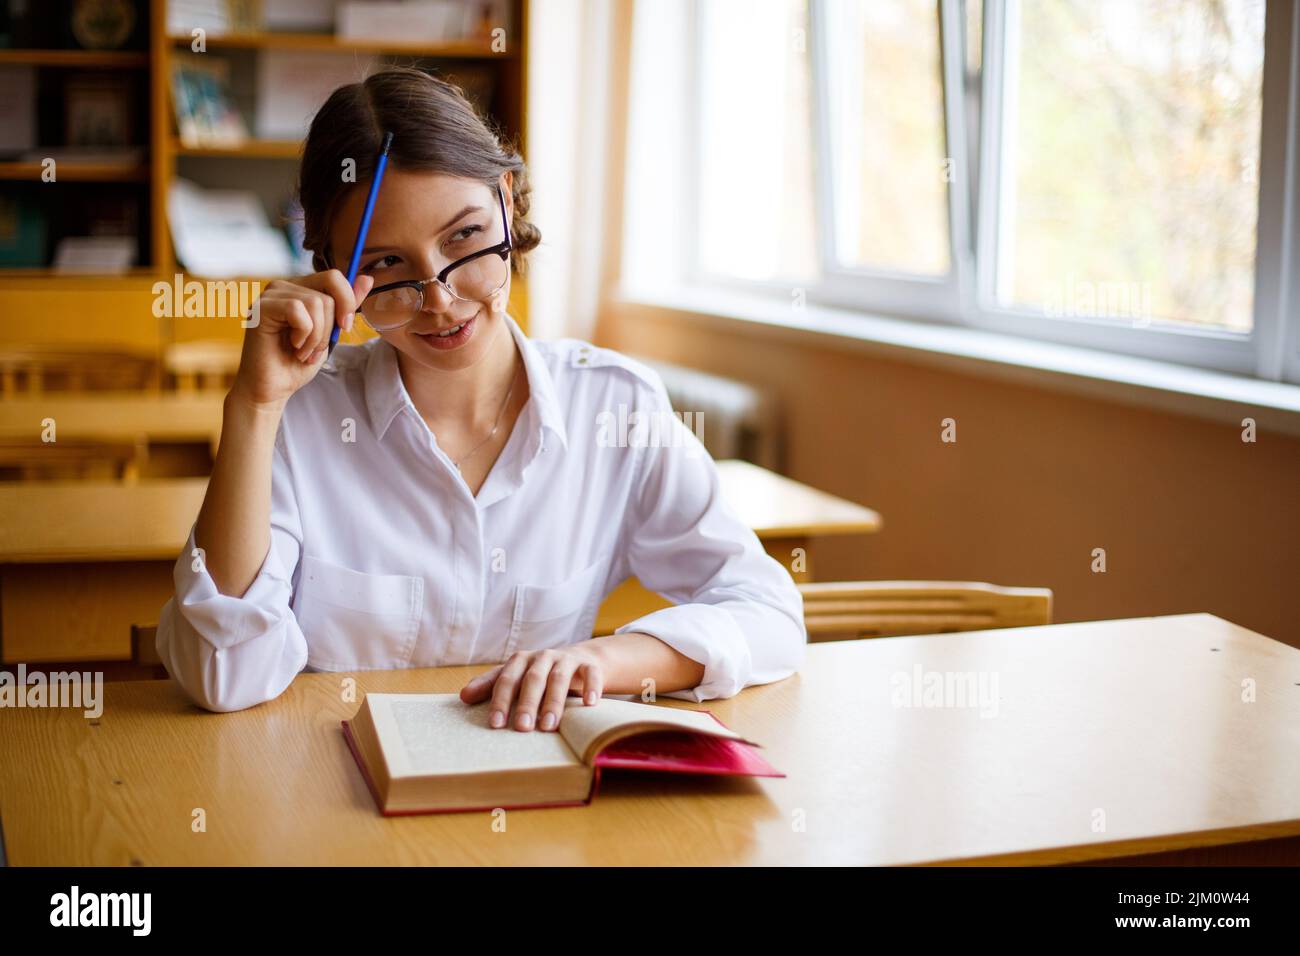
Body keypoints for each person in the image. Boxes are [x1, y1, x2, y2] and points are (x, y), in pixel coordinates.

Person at [157, 67, 806, 729]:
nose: (438, 299)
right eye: (385, 266)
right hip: (336, 799)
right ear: (334, 273)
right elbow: (222, 674)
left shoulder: (614, 410)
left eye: (463, 239)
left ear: (505, 199)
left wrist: (603, 661)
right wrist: (252, 407)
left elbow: (768, 614)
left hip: (536, 799)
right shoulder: (300, 419)